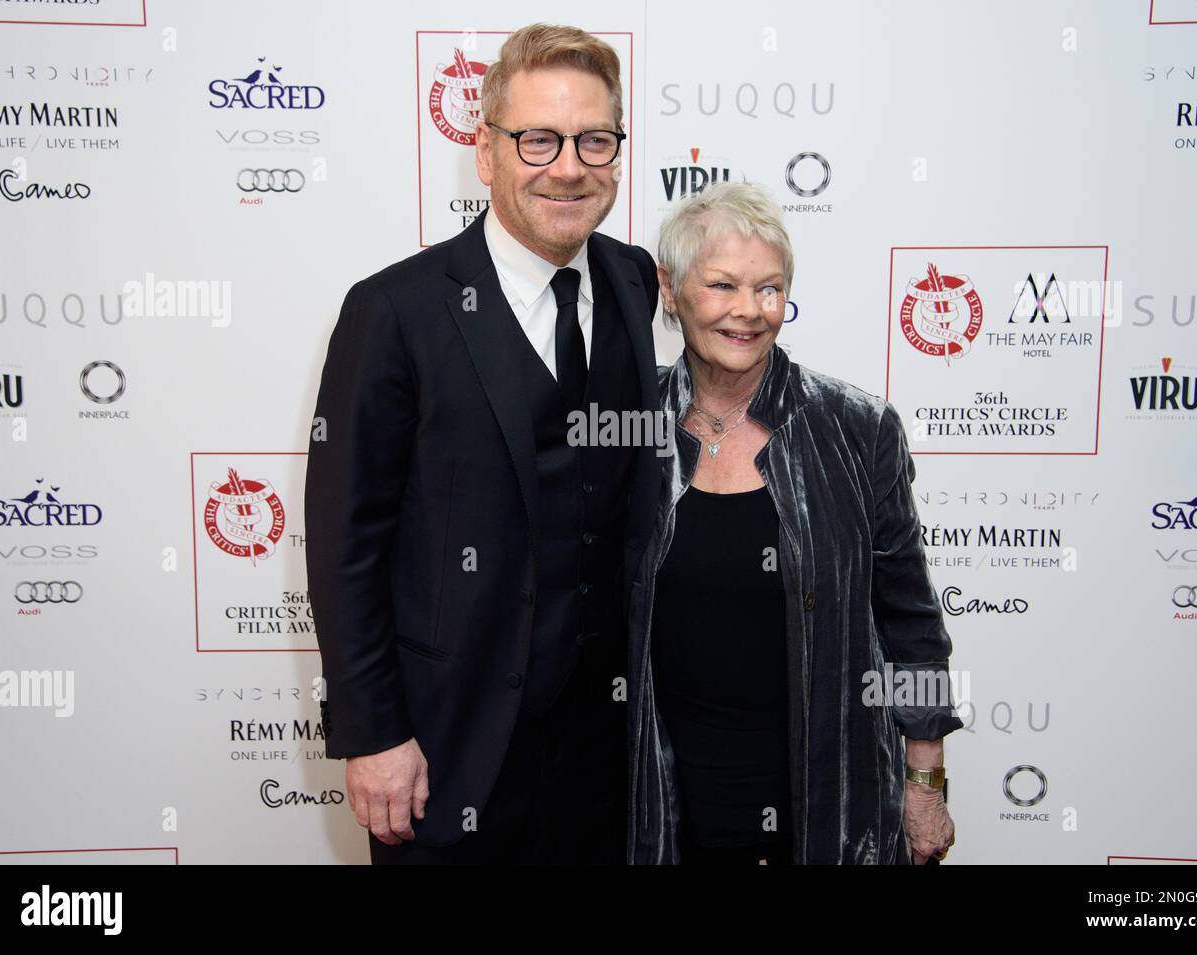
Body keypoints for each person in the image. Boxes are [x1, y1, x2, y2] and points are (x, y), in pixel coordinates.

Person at [305, 23, 660, 864]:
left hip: (604, 756)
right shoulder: (395, 312)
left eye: (593, 139)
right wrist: (373, 732)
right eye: (537, 138)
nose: (568, 166)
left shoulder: (631, 277)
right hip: (446, 745)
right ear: (486, 150)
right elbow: (344, 541)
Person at [627, 181, 963, 865]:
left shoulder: (857, 428)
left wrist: (924, 784)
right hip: (665, 807)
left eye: (769, 288)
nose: (748, 311)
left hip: (830, 809)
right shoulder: (629, 429)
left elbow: (911, 622)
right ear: (671, 288)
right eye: (722, 285)